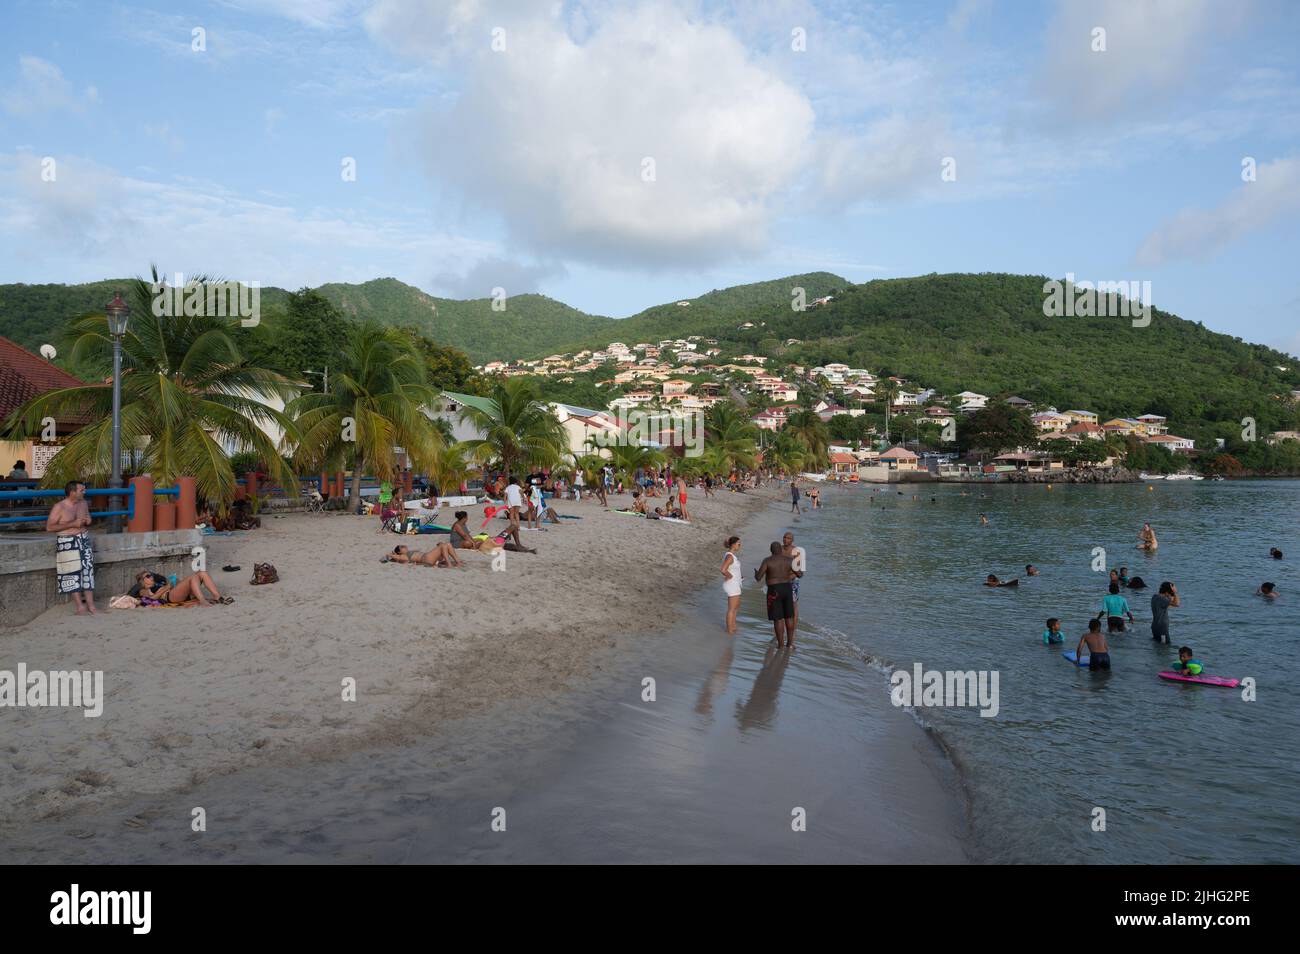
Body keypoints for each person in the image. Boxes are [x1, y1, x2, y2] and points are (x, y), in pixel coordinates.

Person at [47, 480, 96, 615]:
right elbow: (50, 527)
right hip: (67, 540)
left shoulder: (84, 503)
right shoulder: (60, 507)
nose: (84, 492)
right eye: (82, 490)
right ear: (72, 492)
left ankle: (92, 607)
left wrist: (88, 521)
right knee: (71, 573)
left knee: (88, 571)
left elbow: (88, 517)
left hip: (83, 539)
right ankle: (80, 607)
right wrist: (72, 524)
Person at [754, 541, 800, 648]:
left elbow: (758, 578)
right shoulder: (789, 560)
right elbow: (800, 574)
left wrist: (756, 573)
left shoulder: (767, 561)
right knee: (789, 616)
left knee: (778, 618)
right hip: (787, 588)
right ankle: (790, 644)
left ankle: (780, 645)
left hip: (774, 590)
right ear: (781, 550)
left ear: (771, 550)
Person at [130, 569, 232, 605]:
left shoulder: (157, 583)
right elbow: (152, 599)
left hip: (175, 592)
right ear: (143, 581)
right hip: (170, 596)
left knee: (202, 573)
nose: (151, 577)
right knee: (192, 577)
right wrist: (167, 587)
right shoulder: (144, 590)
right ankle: (202, 601)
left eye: (151, 574)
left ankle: (217, 596)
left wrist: (175, 583)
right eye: (148, 576)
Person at [782, 531, 806, 633]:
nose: (786, 540)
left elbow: (798, 570)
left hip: (792, 580)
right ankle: (782, 627)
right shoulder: (780, 549)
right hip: (781, 580)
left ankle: (793, 628)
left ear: (792, 540)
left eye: (788, 538)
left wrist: (789, 577)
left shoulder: (796, 551)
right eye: (784, 537)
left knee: (793, 604)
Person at [721, 536, 743, 635]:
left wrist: (739, 576)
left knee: (736, 607)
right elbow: (723, 569)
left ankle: (733, 627)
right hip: (732, 585)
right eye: (739, 543)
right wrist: (730, 576)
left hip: (736, 584)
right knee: (731, 609)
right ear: (733, 544)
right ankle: (729, 631)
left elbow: (733, 569)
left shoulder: (732, 556)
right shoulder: (729, 556)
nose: (740, 545)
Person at [383, 542, 462, 568]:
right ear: (400, 552)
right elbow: (394, 557)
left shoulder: (407, 553)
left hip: (428, 557)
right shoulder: (403, 556)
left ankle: (458, 562)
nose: (405, 546)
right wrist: (391, 554)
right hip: (427, 558)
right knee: (443, 546)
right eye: (402, 547)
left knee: (447, 544)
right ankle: (449, 564)